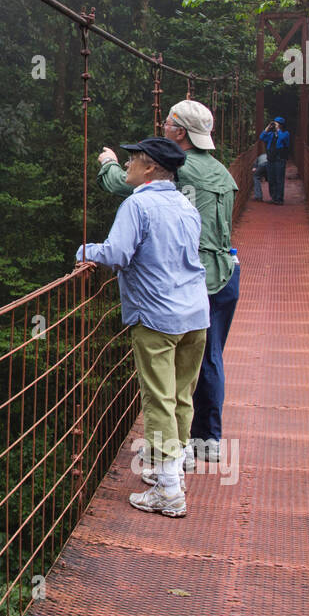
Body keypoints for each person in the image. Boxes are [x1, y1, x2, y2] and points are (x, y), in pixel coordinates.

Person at [98, 100, 239, 464]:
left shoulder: (178, 171)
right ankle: (205, 441)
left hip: (195, 277)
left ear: (179, 133)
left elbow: (124, 185)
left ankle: (172, 464)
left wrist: (108, 164)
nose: (162, 125)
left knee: (171, 377)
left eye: (166, 123)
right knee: (206, 359)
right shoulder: (223, 171)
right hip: (228, 270)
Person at [77, 136, 208, 517]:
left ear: (150, 167)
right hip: (196, 315)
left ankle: (168, 491)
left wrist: (85, 251)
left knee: (157, 399)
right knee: (182, 396)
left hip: (157, 317)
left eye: (133, 160)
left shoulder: (137, 205)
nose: (128, 166)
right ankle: (172, 473)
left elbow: (117, 254)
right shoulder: (186, 205)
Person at [259, 116, 291, 204]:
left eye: (277, 124)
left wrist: (278, 129)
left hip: (280, 159)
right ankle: (273, 198)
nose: (275, 125)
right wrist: (267, 128)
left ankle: (279, 199)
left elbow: (281, 138)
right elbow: (261, 137)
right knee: (271, 179)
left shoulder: (286, 134)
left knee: (279, 179)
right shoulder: (270, 135)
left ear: (281, 125)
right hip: (271, 159)